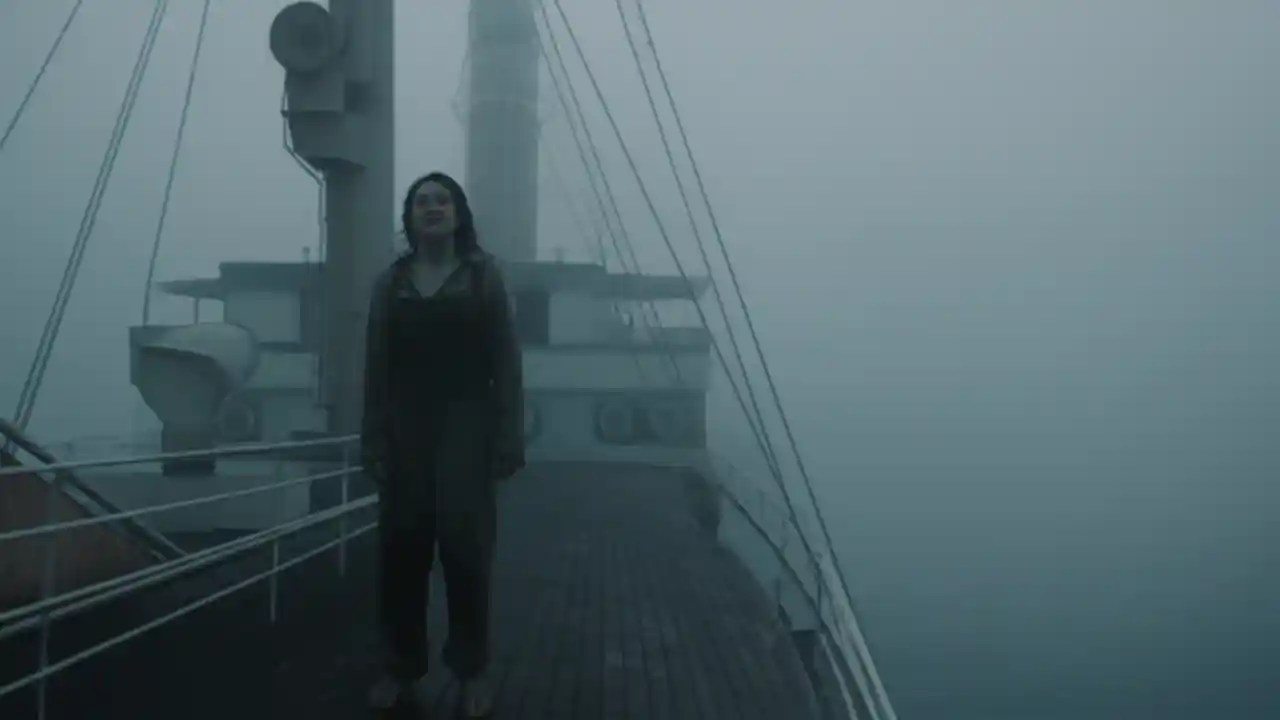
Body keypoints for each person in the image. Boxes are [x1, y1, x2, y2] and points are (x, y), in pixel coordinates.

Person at [361, 171, 525, 717]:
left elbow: (506, 361)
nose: (432, 208)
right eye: (422, 202)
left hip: (467, 428)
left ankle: (471, 669)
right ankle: (400, 667)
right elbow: (376, 368)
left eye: (442, 200)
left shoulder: (484, 278)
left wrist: (508, 434)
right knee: (401, 552)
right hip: (405, 429)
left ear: (459, 214)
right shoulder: (392, 283)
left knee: (466, 552)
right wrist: (373, 440)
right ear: (409, 217)